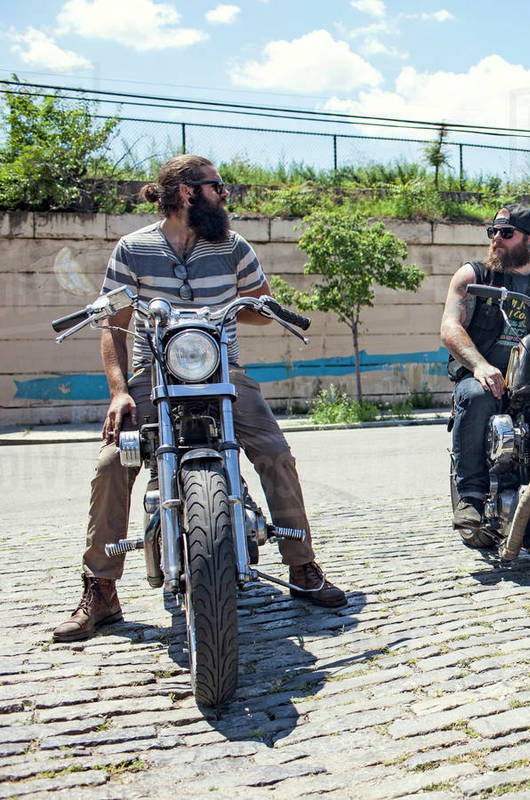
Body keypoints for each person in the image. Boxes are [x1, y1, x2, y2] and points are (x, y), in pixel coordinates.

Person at [53, 155, 346, 643]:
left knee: (275, 451)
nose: (226, 195)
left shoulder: (232, 246)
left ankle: (302, 566)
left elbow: (261, 306)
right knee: (111, 462)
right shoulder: (133, 248)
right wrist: (120, 392)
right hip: (155, 374)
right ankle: (100, 589)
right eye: (218, 187)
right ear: (187, 192)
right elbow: (115, 326)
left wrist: (246, 306)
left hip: (223, 371)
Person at [440, 204, 530, 532]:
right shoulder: (474, 276)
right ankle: (471, 497)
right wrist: (479, 365)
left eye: (506, 233)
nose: (496, 239)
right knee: (476, 396)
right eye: (493, 232)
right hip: (483, 376)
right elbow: (450, 327)